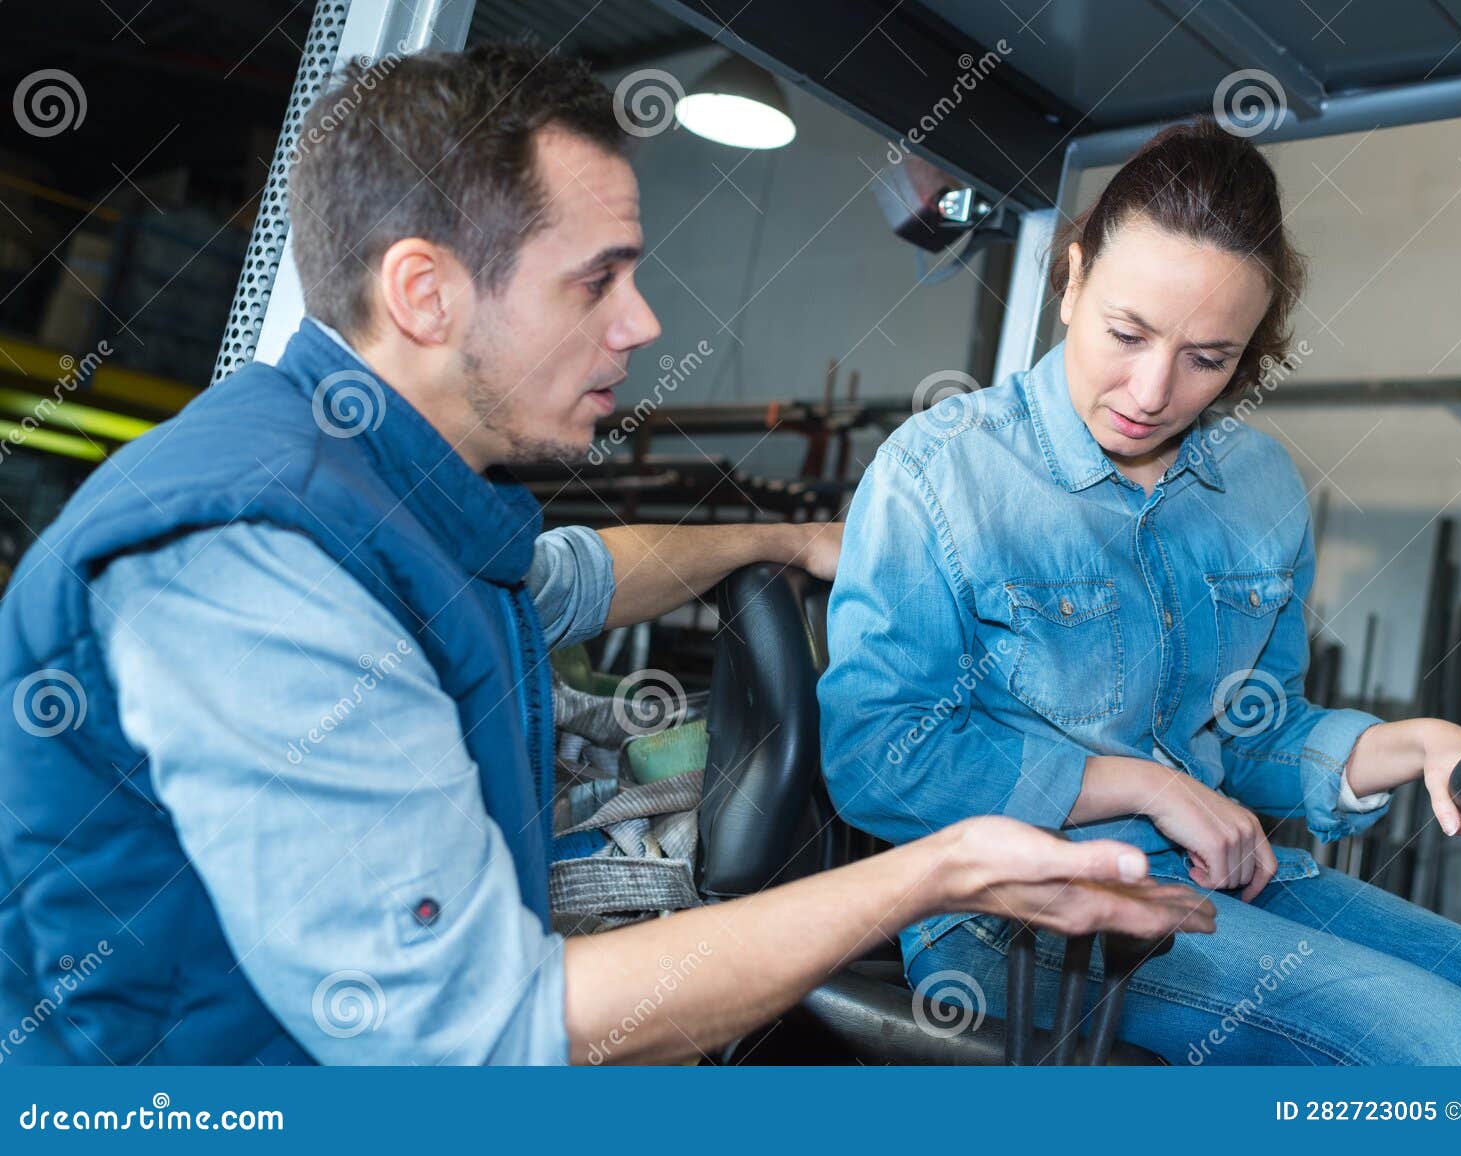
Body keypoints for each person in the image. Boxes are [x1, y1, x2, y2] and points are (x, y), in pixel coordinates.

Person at [0, 45, 1215, 1067]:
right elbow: (480, 1039)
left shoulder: (379, 485)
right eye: (599, 281)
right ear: (424, 292)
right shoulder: (257, 557)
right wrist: (937, 871)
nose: (642, 323)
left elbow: (568, 578)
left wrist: (783, 539)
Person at [819, 117, 1461, 1066]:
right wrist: (1143, 786)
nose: (1152, 390)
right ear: (1070, 280)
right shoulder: (942, 471)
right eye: (1127, 333)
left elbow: (1254, 734)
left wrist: (1421, 745)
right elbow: (875, 754)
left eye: (1208, 359)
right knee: (1454, 1053)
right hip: (1010, 910)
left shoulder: (1259, 485)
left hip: (1226, 880)